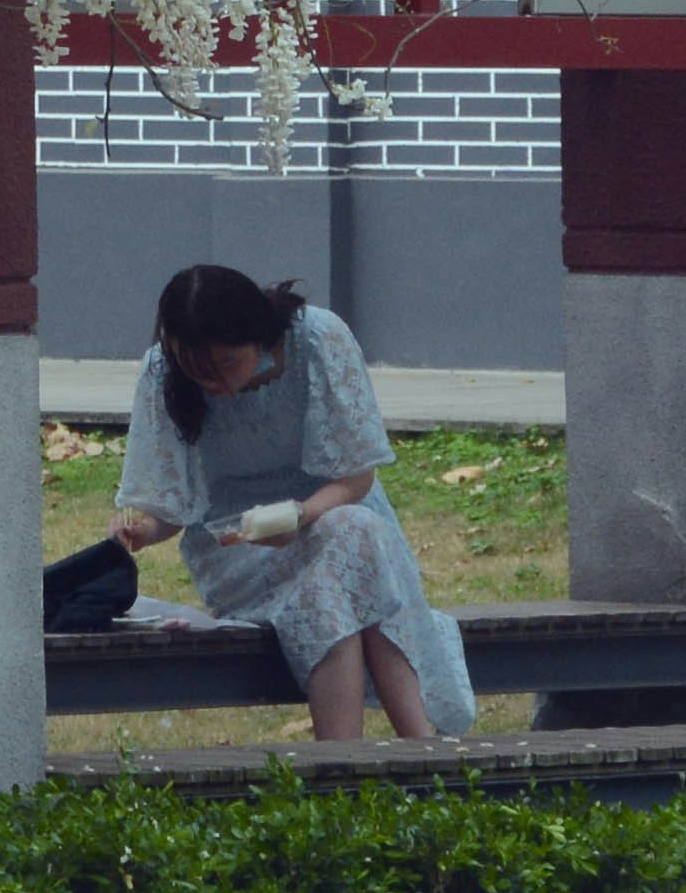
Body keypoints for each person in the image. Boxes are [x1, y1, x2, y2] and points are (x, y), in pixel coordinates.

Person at [106, 261, 474, 742]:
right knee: (351, 546)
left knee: (347, 540)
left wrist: (302, 515)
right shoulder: (162, 372)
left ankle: (345, 758)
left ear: (256, 335)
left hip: (334, 514)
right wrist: (141, 530)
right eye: (199, 374)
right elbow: (169, 507)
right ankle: (416, 745)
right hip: (238, 547)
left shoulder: (319, 339)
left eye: (226, 366)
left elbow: (356, 474)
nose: (216, 385)